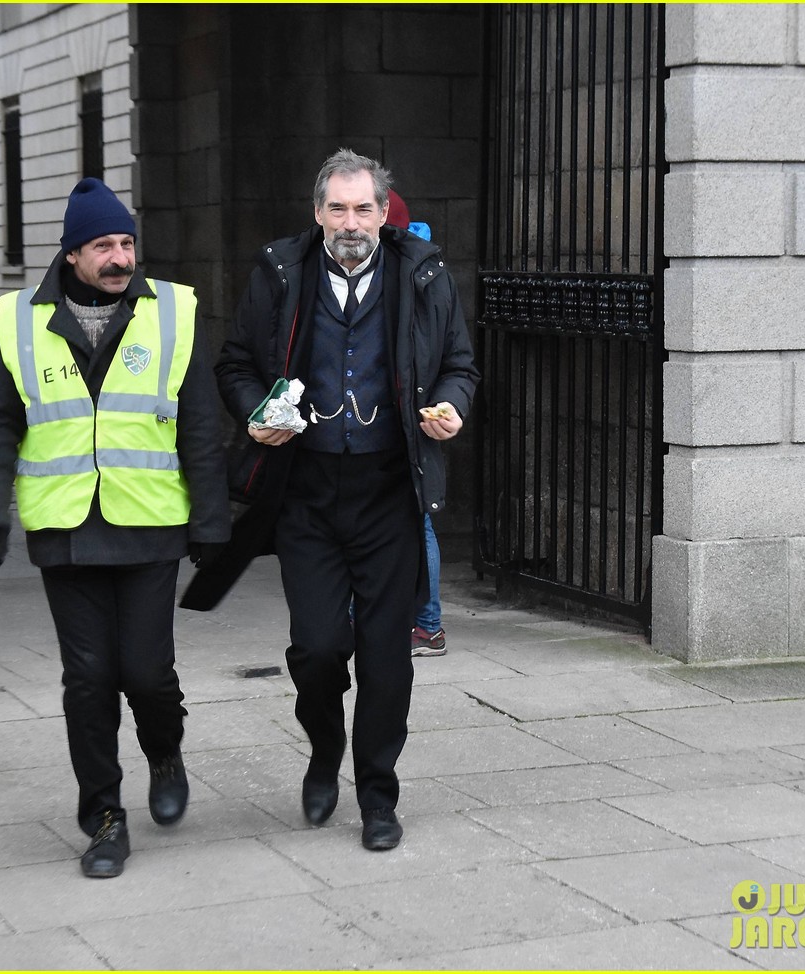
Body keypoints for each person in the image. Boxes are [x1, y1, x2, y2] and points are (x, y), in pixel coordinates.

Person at [211, 148, 479, 851]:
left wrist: (450, 404)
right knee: (320, 647)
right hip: (308, 491)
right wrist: (256, 411)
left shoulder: (423, 275)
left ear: (385, 212)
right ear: (317, 212)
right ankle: (323, 748)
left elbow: (459, 362)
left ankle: (379, 796)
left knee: (387, 656)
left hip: (390, 491)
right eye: (338, 208)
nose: (351, 222)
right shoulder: (281, 271)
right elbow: (235, 363)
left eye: (365, 208)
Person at [0, 177, 230, 879]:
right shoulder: (20, 321)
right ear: (72, 255)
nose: (120, 258)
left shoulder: (171, 312)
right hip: (65, 527)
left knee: (145, 672)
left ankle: (165, 751)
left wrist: (212, 517)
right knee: (87, 677)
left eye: (126, 243)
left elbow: (200, 423)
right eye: (103, 246)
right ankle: (105, 817)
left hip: (148, 522)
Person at [384, 189, 446, 658]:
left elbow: (449, 355)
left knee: (418, 522)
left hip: (407, 421)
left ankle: (427, 625)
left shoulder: (421, 271)